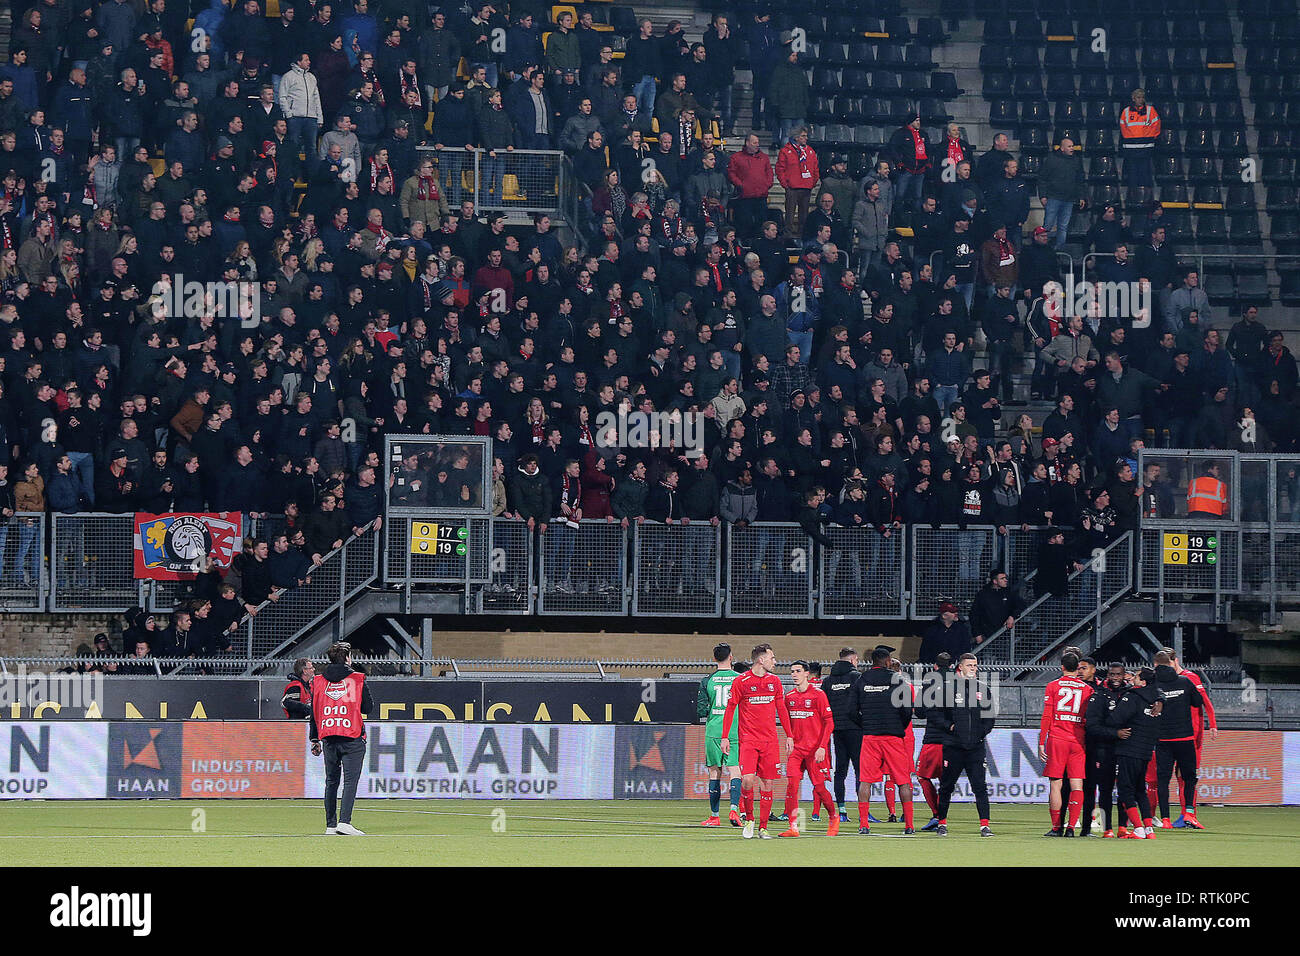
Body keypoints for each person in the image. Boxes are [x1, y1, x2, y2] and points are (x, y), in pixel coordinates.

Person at [720, 643, 794, 840]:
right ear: (761, 660)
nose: (775, 661)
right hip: (749, 740)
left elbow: (782, 709)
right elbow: (731, 708)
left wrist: (789, 735)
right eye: (772, 658)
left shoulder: (775, 681)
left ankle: (763, 827)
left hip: (770, 741)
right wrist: (725, 736)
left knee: (768, 783)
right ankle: (750, 820)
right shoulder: (741, 681)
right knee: (747, 779)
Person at [309, 642, 373, 836]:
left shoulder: (318, 681)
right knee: (350, 781)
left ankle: (330, 825)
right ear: (347, 659)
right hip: (351, 735)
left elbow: (314, 711)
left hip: (328, 736)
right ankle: (344, 822)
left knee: (331, 782)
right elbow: (368, 708)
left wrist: (314, 738)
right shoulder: (357, 679)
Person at [849, 644, 915, 834]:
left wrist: (866, 725)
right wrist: (898, 726)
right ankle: (909, 825)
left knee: (866, 781)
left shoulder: (862, 680)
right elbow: (906, 711)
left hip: (870, 737)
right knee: (902, 781)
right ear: (887, 661)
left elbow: (850, 710)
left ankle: (863, 825)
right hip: (893, 737)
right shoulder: (897, 680)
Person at [932, 653, 996, 837]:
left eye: (975, 665)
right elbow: (935, 714)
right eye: (969, 665)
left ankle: (985, 826)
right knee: (946, 786)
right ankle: (942, 823)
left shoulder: (983, 690)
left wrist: (981, 733)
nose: (973, 668)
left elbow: (990, 717)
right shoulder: (947, 690)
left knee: (980, 786)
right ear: (960, 667)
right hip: (953, 746)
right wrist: (950, 727)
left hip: (975, 747)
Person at [777, 660, 838, 837]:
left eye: (797, 671)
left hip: (814, 750)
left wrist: (822, 747)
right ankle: (793, 827)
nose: (794, 674)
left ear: (807, 674)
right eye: (792, 671)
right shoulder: (789, 698)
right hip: (796, 751)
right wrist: (789, 737)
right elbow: (787, 722)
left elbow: (829, 722)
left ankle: (833, 816)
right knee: (792, 786)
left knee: (819, 787)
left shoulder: (818, 695)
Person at [1039, 650, 1094, 837]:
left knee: (1056, 784)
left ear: (1062, 667)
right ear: (1077, 668)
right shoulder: (1087, 689)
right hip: (1078, 740)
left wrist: (1041, 742)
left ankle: (1056, 828)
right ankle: (1071, 827)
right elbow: (1088, 717)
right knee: (1077, 784)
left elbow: (1047, 715)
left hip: (1057, 738)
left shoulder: (1052, 686)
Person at [1106, 666, 1165, 839]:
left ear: (1143, 681)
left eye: (1137, 677)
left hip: (1129, 748)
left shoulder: (1132, 697)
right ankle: (1149, 829)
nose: (1133, 679)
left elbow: (1116, 719)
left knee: (1125, 790)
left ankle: (1138, 828)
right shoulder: (1156, 700)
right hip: (1146, 750)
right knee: (1140, 789)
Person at [1150, 650, 1206, 830]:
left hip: (1163, 739)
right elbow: (1198, 702)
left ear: (1156, 665)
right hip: (1185, 738)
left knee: (1163, 779)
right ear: (1171, 664)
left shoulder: (1153, 684)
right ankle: (1189, 813)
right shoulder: (1185, 681)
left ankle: (1165, 819)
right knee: (1189, 778)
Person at [1165, 647, 1218, 827]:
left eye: (1169, 664)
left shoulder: (1190, 677)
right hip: (1175, 733)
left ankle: (1190, 814)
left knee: (1187, 775)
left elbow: (1205, 702)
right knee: (1178, 775)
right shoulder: (1169, 680)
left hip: (1192, 735)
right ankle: (1184, 815)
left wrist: (1212, 724)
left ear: (1176, 661)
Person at [696, 642, 742, 827]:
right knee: (735, 770)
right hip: (733, 731)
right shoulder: (740, 679)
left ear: (714, 659)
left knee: (714, 772)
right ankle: (734, 809)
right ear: (731, 657)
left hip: (714, 731)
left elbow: (700, 710)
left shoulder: (707, 680)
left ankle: (714, 816)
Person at [1083, 662, 1129, 837]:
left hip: (1126, 750)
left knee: (1125, 789)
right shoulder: (1099, 696)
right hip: (1103, 749)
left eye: (1118, 675)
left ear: (1124, 675)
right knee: (1105, 789)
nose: (1115, 678)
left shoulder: (1130, 694)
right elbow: (1092, 726)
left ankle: (1123, 827)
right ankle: (1106, 828)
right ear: (1107, 675)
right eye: (1112, 675)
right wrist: (1115, 733)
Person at [821, 647, 862, 822]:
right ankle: (863, 812)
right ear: (853, 660)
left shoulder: (828, 681)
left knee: (841, 771)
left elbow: (823, 705)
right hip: (856, 729)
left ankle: (842, 810)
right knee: (861, 771)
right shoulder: (857, 677)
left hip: (836, 730)